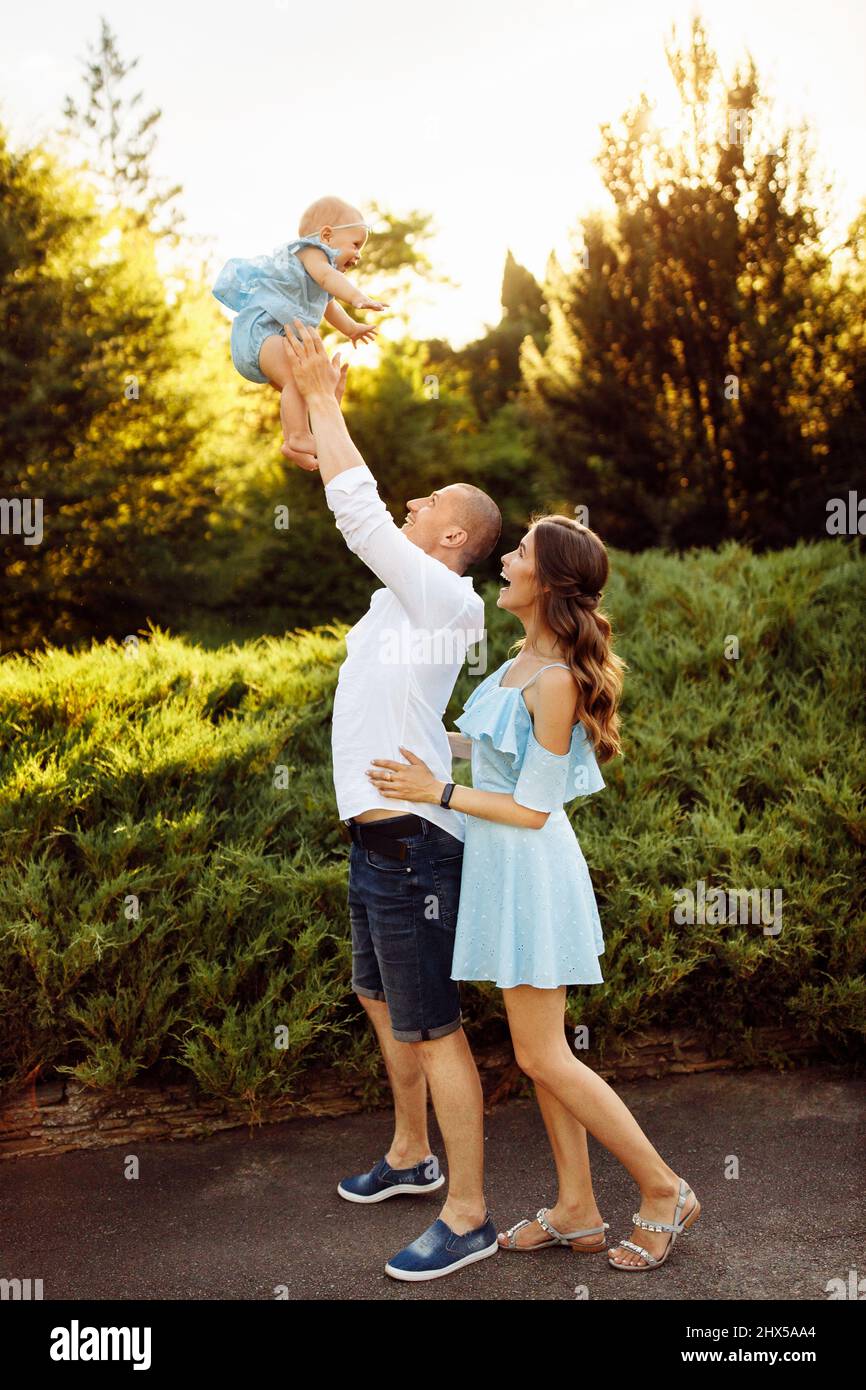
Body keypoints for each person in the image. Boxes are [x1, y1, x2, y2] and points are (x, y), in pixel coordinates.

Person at [366, 511, 703, 1274]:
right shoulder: (521, 658)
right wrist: (425, 744)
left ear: (548, 582)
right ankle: (577, 1209)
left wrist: (437, 790)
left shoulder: (554, 681)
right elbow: (493, 756)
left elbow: (533, 805)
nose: (507, 560)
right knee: (540, 1055)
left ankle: (663, 1189)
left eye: (519, 553)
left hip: (532, 871)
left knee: (545, 1056)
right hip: (502, 868)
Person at [283, 321, 506, 1282]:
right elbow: (328, 472)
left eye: (428, 505)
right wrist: (306, 398)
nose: (409, 502)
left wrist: (330, 393)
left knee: (434, 1025)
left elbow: (363, 513)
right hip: (374, 845)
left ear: (451, 538)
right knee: (379, 1002)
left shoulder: (449, 602)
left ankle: (470, 1214)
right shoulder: (396, 599)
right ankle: (413, 1157)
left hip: (417, 845)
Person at [212, 195, 387, 463]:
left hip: (271, 339)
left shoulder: (319, 279)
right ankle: (297, 435)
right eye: (356, 244)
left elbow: (330, 308)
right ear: (327, 235)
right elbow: (330, 277)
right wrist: (357, 297)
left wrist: (351, 328)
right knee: (298, 377)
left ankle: (299, 447)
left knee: (304, 387)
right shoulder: (312, 252)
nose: (359, 254)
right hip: (262, 332)